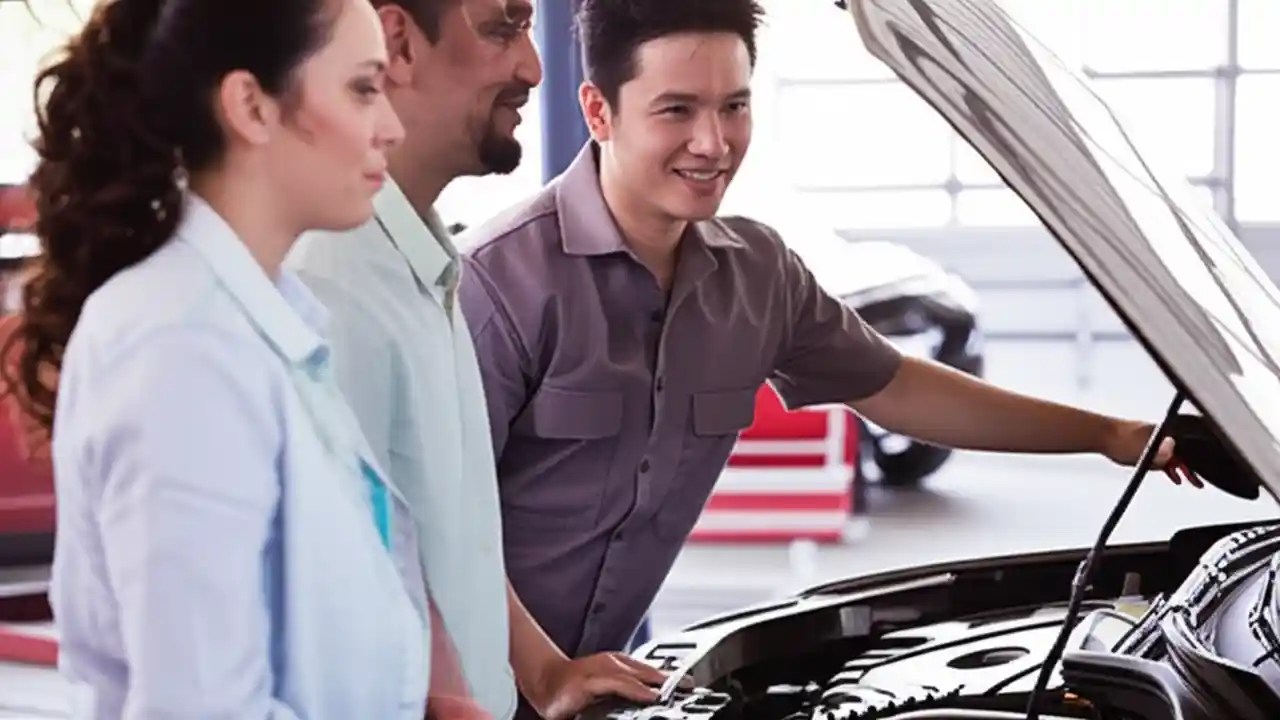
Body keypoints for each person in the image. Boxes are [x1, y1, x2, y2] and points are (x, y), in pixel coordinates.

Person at [455, 0, 1202, 696]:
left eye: (734, 106)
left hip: (595, 684)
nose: (713, 143)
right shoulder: (500, 282)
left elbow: (899, 386)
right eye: (676, 110)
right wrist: (542, 672)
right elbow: (435, 508)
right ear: (599, 111)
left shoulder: (757, 275)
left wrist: (1113, 435)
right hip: (446, 687)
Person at [0, 0, 464, 716]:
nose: (391, 127)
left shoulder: (256, 321)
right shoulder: (182, 347)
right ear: (251, 105)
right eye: (364, 89)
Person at [286, 2, 666, 719]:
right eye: (500, 28)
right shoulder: (333, 286)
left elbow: (441, 531)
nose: (532, 65)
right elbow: (332, 610)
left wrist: (542, 670)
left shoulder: (420, 262)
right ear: (396, 43)